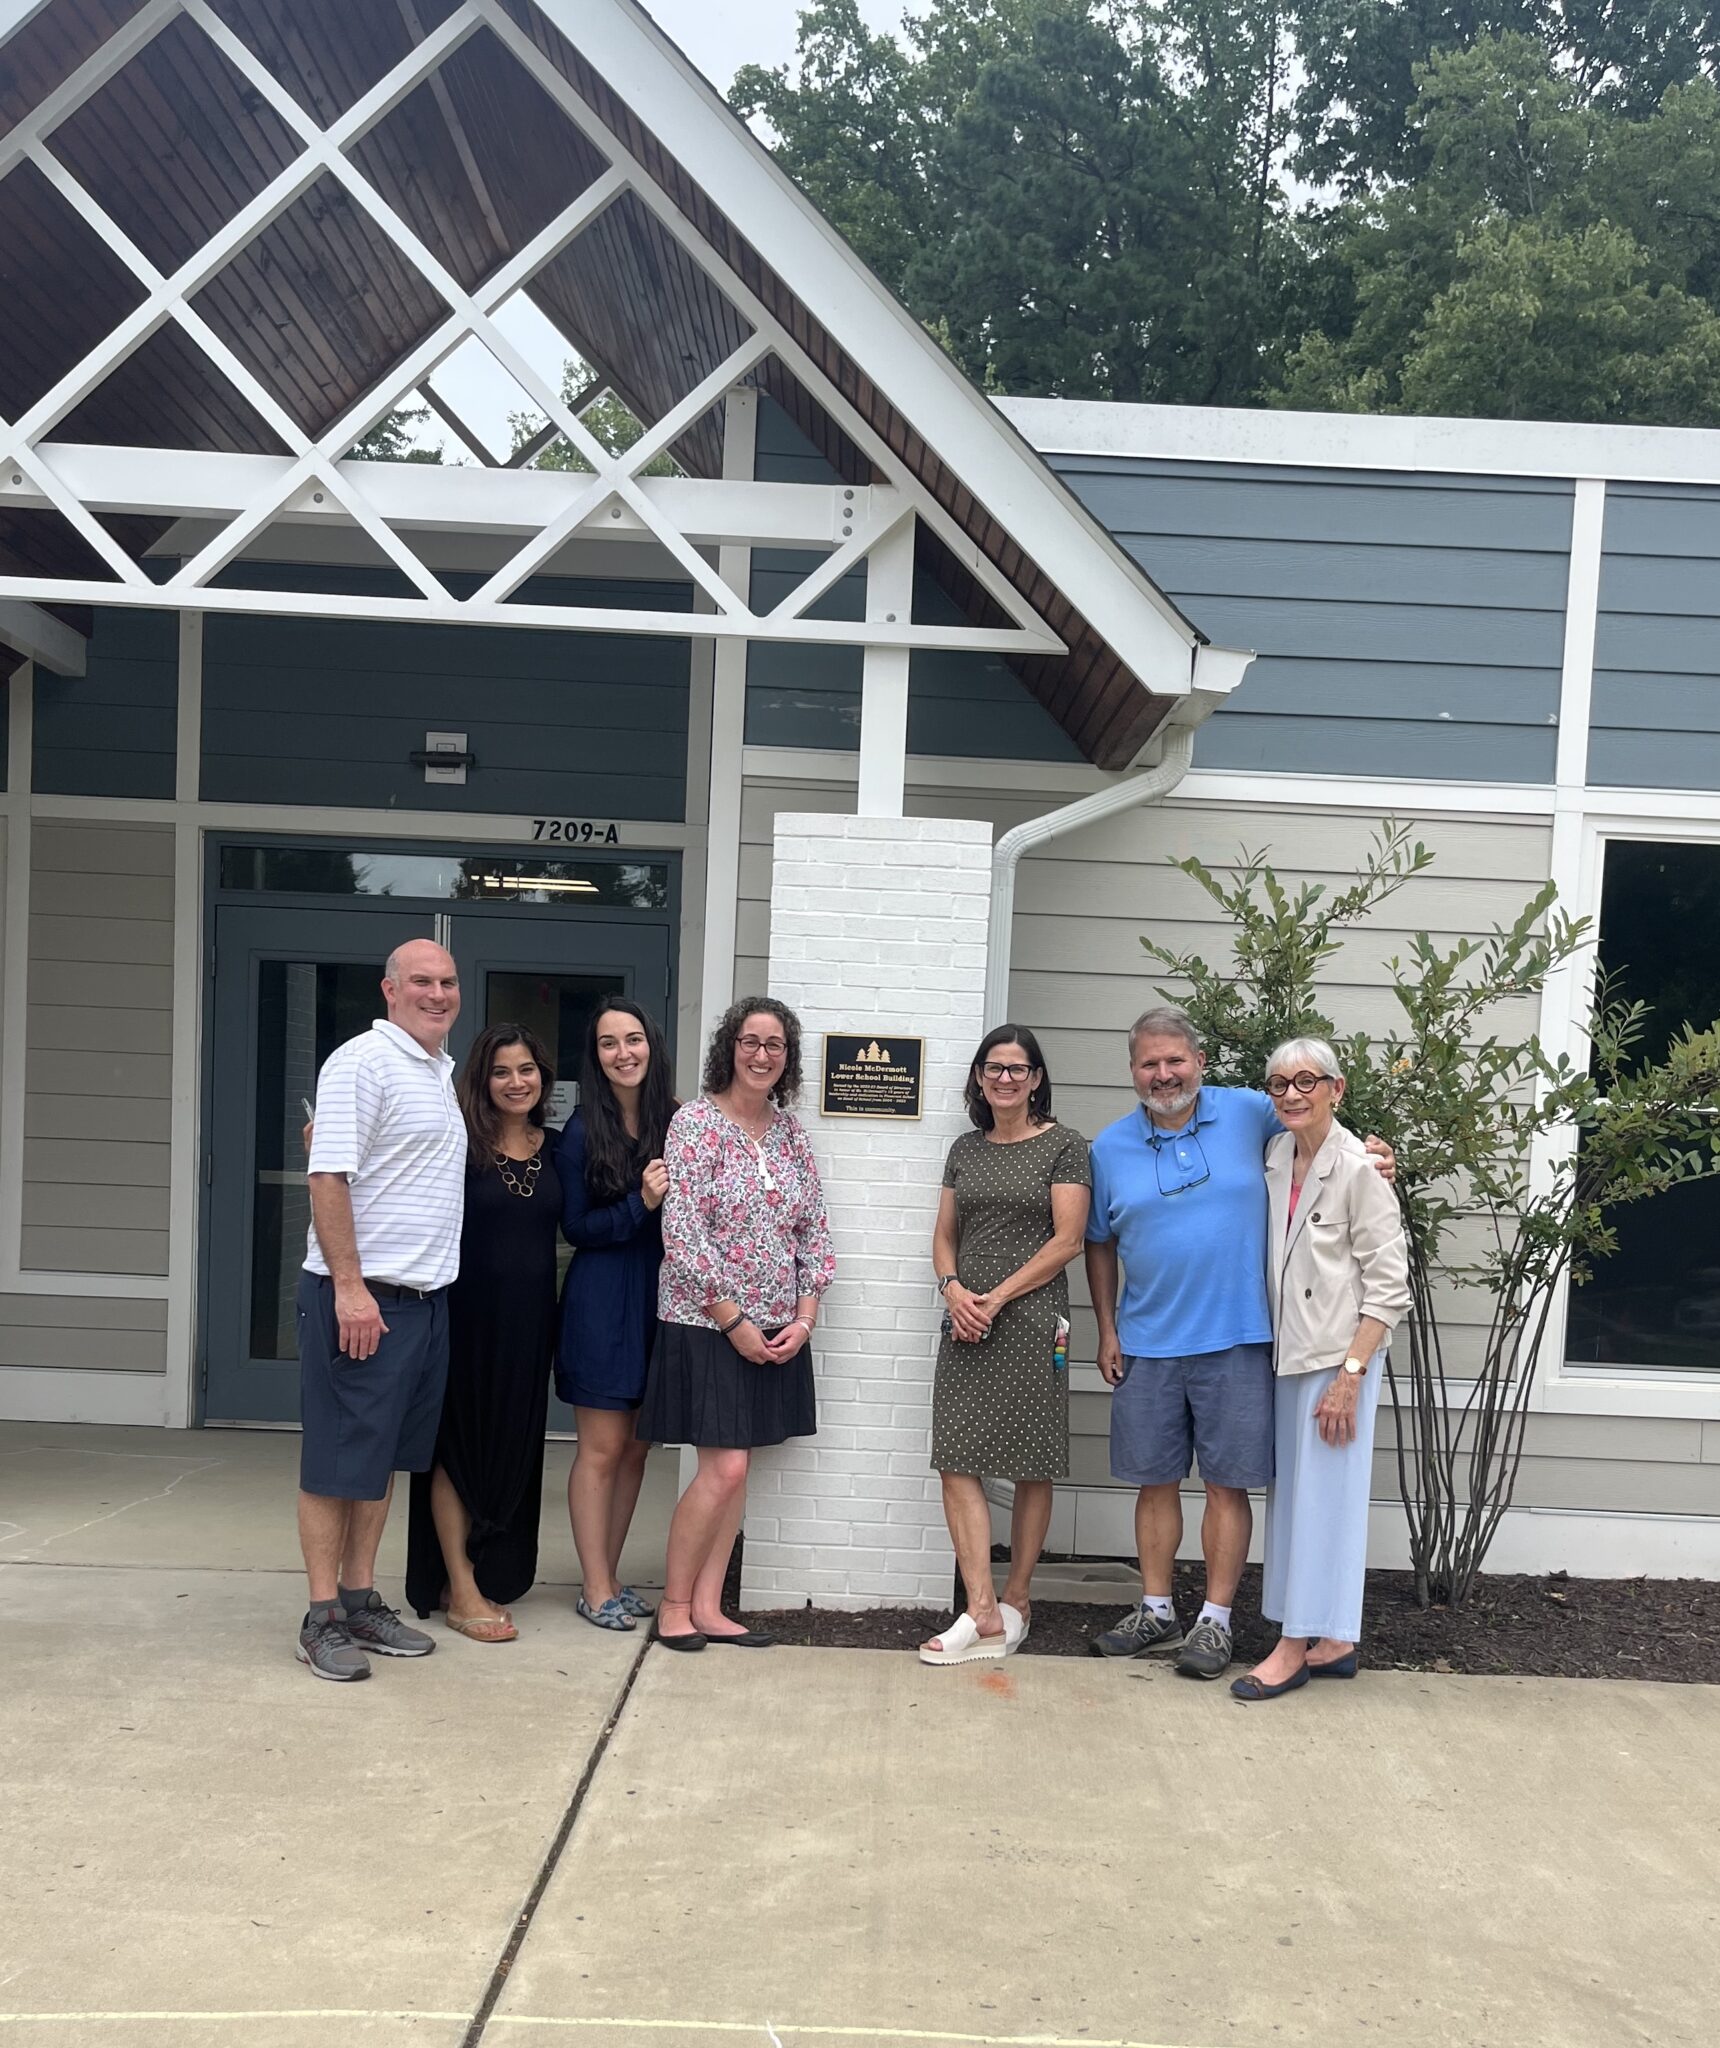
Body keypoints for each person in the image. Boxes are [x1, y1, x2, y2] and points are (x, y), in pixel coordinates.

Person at [1085, 1006, 1393, 1681]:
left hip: (1240, 1338)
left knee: (1228, 1486)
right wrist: (1107, 1327)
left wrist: (1371, 1157)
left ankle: (1216, 1623)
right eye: (1149, 1063)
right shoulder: (1108, 1148)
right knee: (1154, 1482)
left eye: (1175, 1060)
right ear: (1132, 1070)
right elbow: (1099, 1244)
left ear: (1199, 1061)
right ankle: (1157, 1608)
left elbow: (1316, 1127)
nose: (1164, 1074)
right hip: (1147, 1340)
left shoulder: (1250, 1111)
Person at [638, 997, 835, 1650]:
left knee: (738, 1470)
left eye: (775, 1045)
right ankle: (673, 1604)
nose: (761, 1055)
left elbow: (813, 1229)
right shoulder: (694, 1124)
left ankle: (708, 1605)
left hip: (779, 1323)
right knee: (721, 1471)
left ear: (788, 1058)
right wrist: (733, 1321)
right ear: (730, 1048)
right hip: (705, 1321)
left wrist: (804, 1318)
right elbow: (684, 1230)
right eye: (750, 1041)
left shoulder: (790, 1135)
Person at [295, 939, 465, 1682]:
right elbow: (327, 1176)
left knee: (381, 1459)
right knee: (336, 1462)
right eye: (422, 981)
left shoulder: (436, 1072)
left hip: (422, 1305)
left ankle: (362, 1598)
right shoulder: (361, 1062)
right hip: (364, 1298)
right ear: (390, 989)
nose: (438, 993)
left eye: (448, 982)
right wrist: (351, 1288)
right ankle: (323, 1615)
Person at [1232, 1038, 1410, 1701]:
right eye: (1279, 1084)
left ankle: (1291, 1647)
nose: (1292, 1094)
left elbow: (1389, 1287)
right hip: (1290, 1353)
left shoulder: (1361, 1168)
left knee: (1318, 1508)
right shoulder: (1279, 1154)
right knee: (1301, 1504)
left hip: (1339, 1361)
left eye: (1308, 1080)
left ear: (1337, 1089)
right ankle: (1332, 1639)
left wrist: (1351, 1376)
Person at [921, 1025, 1090, 1667]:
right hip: (966, 1318)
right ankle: (982, 1605)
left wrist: (995, 1299)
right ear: (980, 1077)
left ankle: (1018, 1597)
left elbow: (1066, 1241)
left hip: (1030, 1319)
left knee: (1030, 1460)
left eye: (1018, 1069)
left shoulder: (1066, 1146)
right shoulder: (966, 1148)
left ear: (1036, 1078)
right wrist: (955, 1290)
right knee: (957, 1455)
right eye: (994, 1068)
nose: (1006, 1079)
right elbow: (944, 1235)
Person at [404, 1024, 561, 1642]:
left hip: (530, 1326)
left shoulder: (559, 1147)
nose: (515, 1082)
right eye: (501, 1071)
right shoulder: (457, 1141)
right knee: (455, 1448)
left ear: (542, 1076)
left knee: (510, 1448)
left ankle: (478, 1566)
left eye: (526, 1069)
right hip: (463, 1317)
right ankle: (459, 1584)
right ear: (482, 1079)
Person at [555, 999, 675, 1631]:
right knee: (601, 1449)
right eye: (608, 1043)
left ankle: (612, 1573)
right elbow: (576, 1228)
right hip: (602, 1299)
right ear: (595, 1056)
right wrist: (641, 1202)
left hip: (662, 1302)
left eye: (633, 1039)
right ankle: (594, 1584)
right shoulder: (581, 1131)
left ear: (651, 1047)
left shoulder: (677, 1123)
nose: (622, 1052)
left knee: (637, 1451)